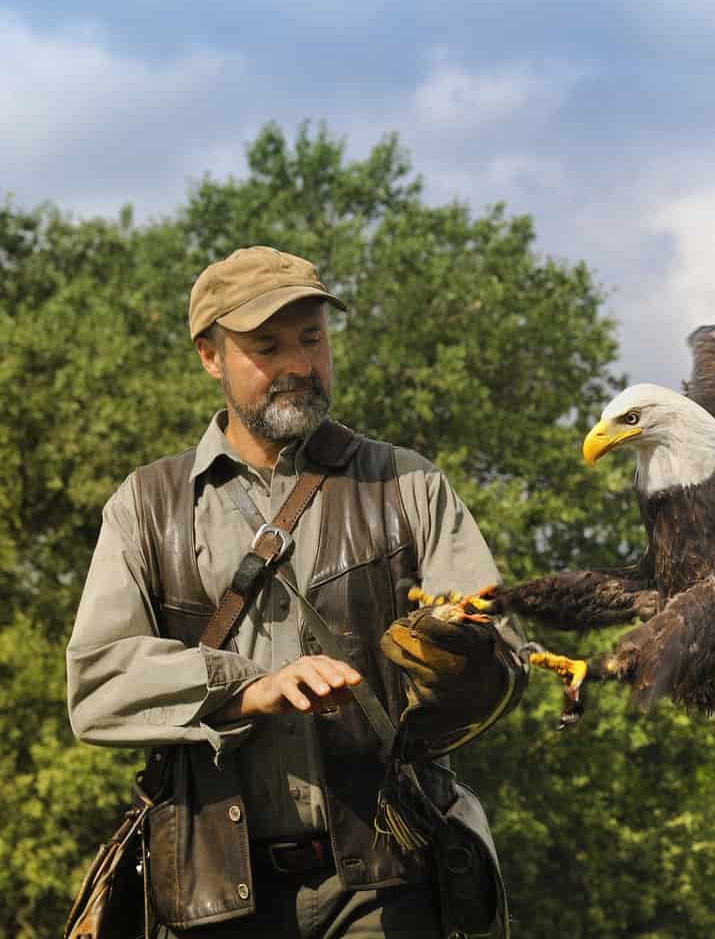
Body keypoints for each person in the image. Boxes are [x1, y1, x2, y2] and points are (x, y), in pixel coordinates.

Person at [66, 245, 508, 937]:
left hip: (388, 878)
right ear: (211, 356)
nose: (299, 365)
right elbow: (97, 686)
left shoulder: (410, 486)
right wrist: (246, 689)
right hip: (210, 890)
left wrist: (460, 654)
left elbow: (496, 660)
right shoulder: (145, 506)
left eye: (312, 338)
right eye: (267, 346)